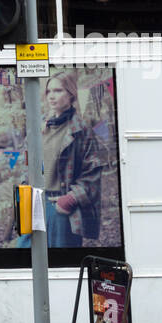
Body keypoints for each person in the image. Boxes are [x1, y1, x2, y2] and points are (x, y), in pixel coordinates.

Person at [38, 72, 102, 246]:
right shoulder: (39, 127)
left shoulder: (81, 131)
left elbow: (93, 174)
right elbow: (25, 163)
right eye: (49, 91)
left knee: (60, 264)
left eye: (58, 90)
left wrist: (70, 199)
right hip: (36, 206)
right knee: (28, 261)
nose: (51, 96)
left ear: (71, 94)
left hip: (61, 209)